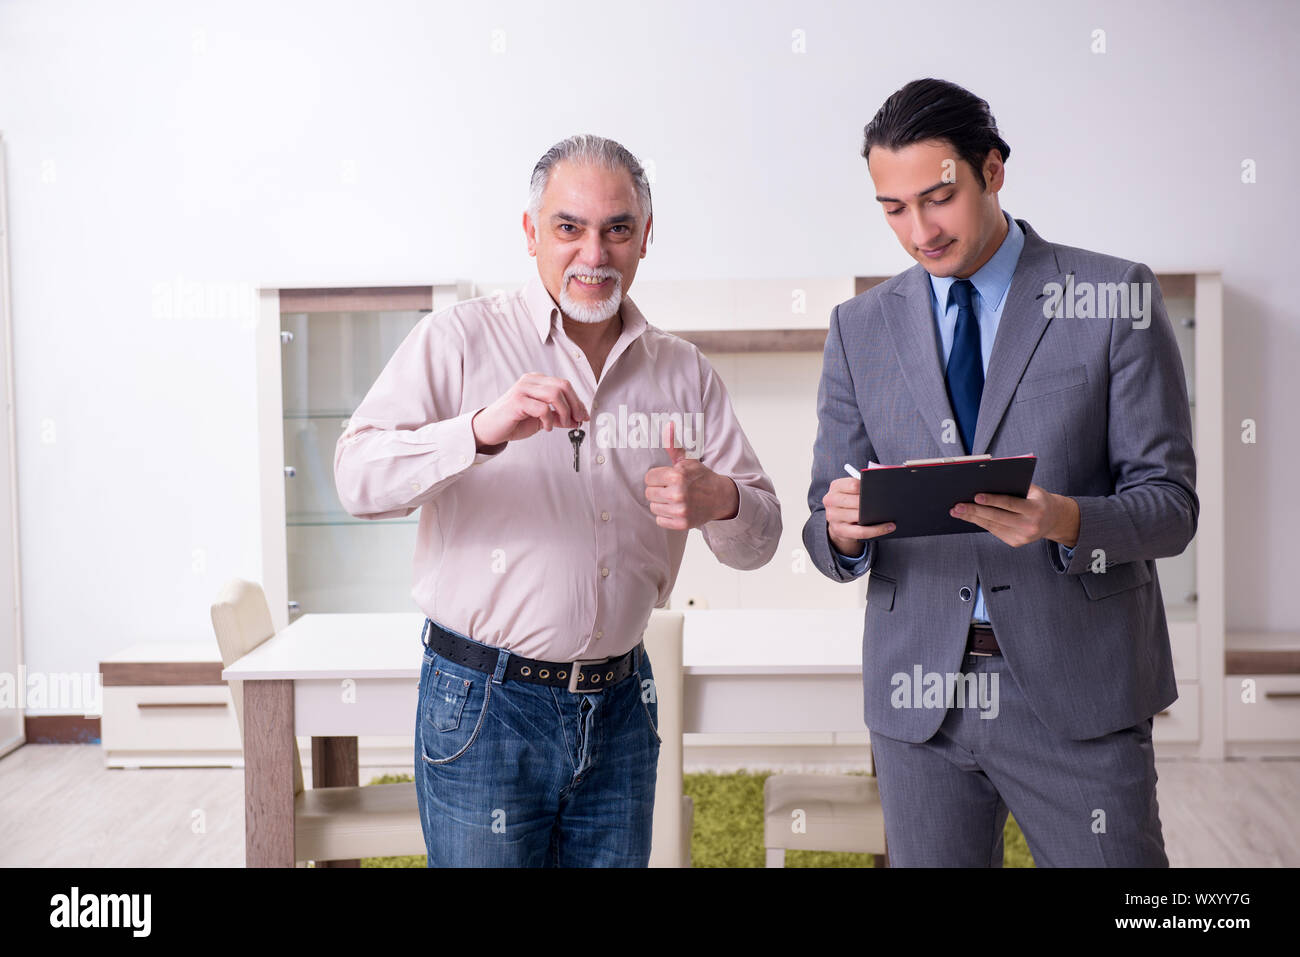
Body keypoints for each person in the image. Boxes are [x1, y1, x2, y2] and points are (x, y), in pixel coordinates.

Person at [334, 134, 781, 867]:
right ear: (531, 232)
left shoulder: (683, 371)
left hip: (622, 706)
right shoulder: (457, 340)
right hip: (484, 705)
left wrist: (722, 499)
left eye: (617, 229)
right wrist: (478, 432)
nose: (593, 253)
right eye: (569, 227)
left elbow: (760, 540)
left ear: (645, 237)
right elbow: (356, 477)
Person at [802, 78, 1197, 866]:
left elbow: (1171, 506)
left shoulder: (1114, 296)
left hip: (1078, 690)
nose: (919, 229)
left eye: (938, 196)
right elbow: (822, 523)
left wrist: (1066, 520)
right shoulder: (859, 328)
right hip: (920, 702)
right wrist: (840, 529)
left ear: (992, 170)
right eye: (893, 208)